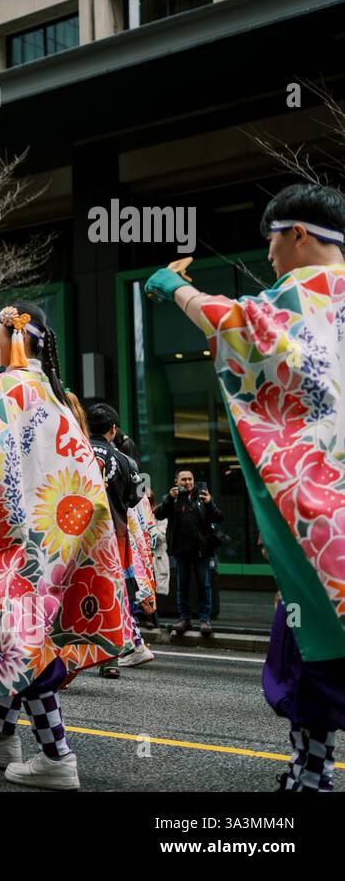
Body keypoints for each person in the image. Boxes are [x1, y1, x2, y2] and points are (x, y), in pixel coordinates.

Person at [145, 182, 345, 791]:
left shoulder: (303, 300)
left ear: (300, 233)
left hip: (326, 524)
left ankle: (310, 777)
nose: (269, 257)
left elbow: (239, 327)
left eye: (273, 241)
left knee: (316, 658)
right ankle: (308, 775)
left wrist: (172, 286)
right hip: (317, 523)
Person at [0, 302, 130, 791]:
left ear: (19, 334)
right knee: (14, 637)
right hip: (55, 536)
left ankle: (57, 754)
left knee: (21, 643)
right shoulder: (52, 393)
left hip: (22, 542)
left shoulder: (5, 387)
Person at [86, 403, 156, 674]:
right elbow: (137, 497)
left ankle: (62, 658)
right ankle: (110, 661)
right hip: (113, 537)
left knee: (66, 591)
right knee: (111, 596)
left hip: (74, 536)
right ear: (113, 429)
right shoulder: (127, 461)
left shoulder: (71, 452)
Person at [154, 469, 222, 638]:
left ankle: (205, 619)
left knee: (203, 584)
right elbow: (159, 513)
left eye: (190, 479)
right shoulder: (172, 498)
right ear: (176, 481)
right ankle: (185, 618)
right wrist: (170, 499)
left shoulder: (202, 497)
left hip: (201, 550)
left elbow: (218, 517)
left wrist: (210, 503)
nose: (187, 482)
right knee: (182, 586)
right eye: (183, 479)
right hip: (180, 549)